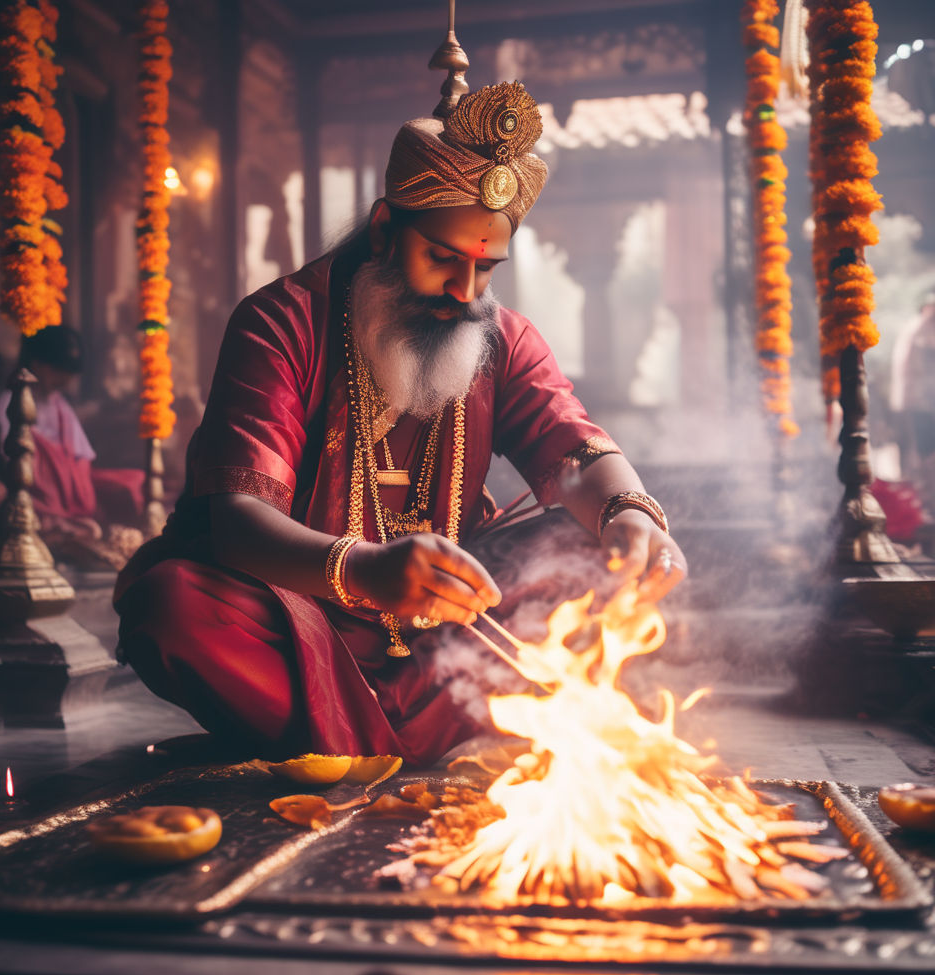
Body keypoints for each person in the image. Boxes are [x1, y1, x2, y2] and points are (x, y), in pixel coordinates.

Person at [114, 74, 687, 767]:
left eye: (485, 269)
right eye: (442, 259)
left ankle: (349, 738)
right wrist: (366, 571)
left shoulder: (500, 337)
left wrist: (632, 515)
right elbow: (237, 523)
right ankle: (427, 734)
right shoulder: (280, 322)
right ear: (386, 229)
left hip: (441, 643)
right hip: (300, 629)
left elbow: (574, 445)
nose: (464, 293)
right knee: (171, 605)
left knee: (597, 544)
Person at [0, 325, 145, 563]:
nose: (65, 380)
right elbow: (10, 463)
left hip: (70, 512)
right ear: (37, 363)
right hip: (34, 508)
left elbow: (81, 463)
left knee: (130, 487)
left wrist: (81, 506)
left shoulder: (61, 408)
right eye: (58, 371)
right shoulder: (9, 403)